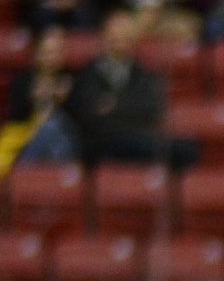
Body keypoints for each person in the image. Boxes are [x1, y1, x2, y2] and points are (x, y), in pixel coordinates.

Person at [64, 10, 197, 167]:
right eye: (115, 33)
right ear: (104, 37)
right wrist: (131, 110)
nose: (120, 38)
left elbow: (152, 107)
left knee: (185, 147)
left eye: (125, 33)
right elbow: (89, 115)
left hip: (138, 140)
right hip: (102, 145)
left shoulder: (142, 72)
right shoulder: (88, 73)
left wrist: (115, 104)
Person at [6, 27, 81, 163]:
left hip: (63, 143)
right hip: (26, 140)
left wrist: (65, 101)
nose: (51, 58)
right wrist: (32, 99)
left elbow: (80, 123)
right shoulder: (22, 81)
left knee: (56, 125)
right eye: (47, 52)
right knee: (48, 128)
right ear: (36, 54)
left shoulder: (71, 81)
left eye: (56, 52)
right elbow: (14, 118)